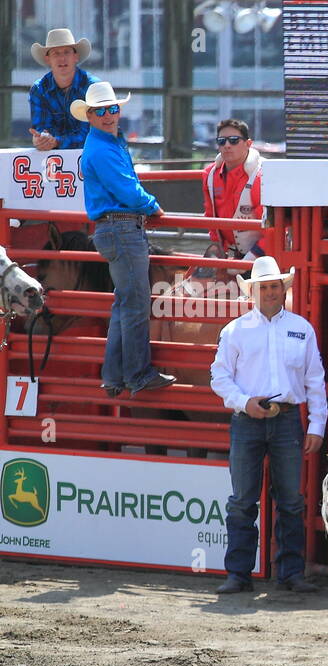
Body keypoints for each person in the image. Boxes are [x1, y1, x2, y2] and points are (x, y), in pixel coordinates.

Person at [209, 257, 327, 595]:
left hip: (287, 417)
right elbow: (219, 376)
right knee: (243, 500)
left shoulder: (302, 328)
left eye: (275, 286)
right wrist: (245, 402)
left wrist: (317, 425)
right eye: (265, 287)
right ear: (254, 291)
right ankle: (239, 574)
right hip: (249, 418)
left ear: (283, 289)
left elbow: (314, 379)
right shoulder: (235, 330)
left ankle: (289, 573)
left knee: (290, 499)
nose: (271, 292)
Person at [78, 81, 174, 398]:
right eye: (101, 111)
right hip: (122, 228)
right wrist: (152, 205)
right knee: (134, 304)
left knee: (124, 303)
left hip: (114, 229)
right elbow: (127, 190)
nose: (108, 115)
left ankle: (114, 375)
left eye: (112, 108)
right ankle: (137, 374)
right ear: (90, 116)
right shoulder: (104, 148)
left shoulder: (103, 144)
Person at [201, 118, 266, 265]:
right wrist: (217, 249)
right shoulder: (209, 175)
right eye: (222, 141)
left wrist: (248, 260)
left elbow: (273, 231)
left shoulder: (260, 177)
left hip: (263, 258)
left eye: (234, 140)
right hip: (231, 256)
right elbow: (211, 218)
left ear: (248, 144)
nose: (227, 145)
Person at [28, 28, 99, 151]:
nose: (62, 58)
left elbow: (91, 134)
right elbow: (42, 128)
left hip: (92, 157)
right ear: (48, 59)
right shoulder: (39, 90)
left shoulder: (92, 87)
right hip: (55, 161)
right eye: (56, 53)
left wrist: (55, 141)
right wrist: (41, 139)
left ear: (75, 56)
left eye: (66, 52)